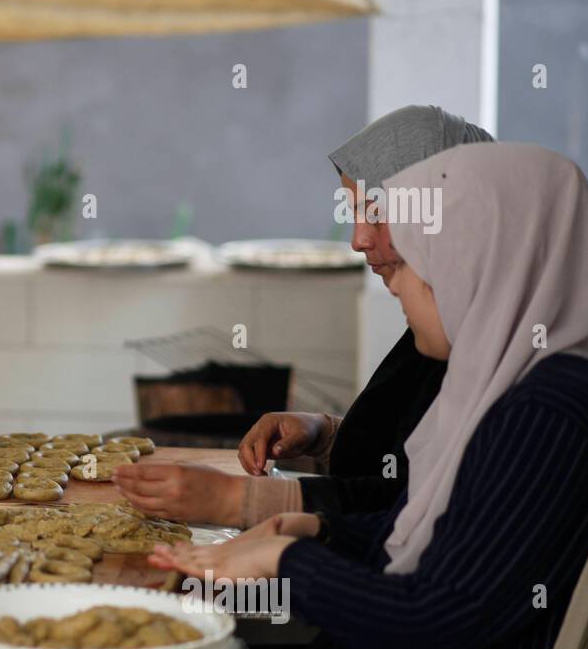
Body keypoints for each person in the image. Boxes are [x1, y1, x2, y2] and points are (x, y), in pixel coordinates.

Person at [151, 142, 588, 649]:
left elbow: (433, 622)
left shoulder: (546, 415)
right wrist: (314, 529)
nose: (392, 283)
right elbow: (434, 544)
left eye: (411, 264)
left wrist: (284, 560)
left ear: (476, 266)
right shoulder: (513, 380)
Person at [115, 105, 492, 527]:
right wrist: (326, 435)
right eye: (354, 212)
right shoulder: (442, 323)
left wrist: (239, 501)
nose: (357, 240)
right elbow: (406, 451)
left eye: (376, 212)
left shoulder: (490, 354)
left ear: (442, 214)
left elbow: (412, 510)